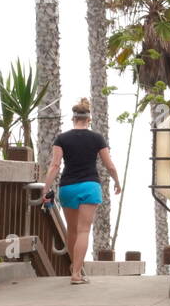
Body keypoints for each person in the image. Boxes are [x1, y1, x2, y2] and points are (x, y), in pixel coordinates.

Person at [42, 98, 120, 285]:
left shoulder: (62, 138)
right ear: (89, 119)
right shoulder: (97, 138)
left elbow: (54, 165)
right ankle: (76, 273)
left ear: (73, 119)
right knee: (84, 230)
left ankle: (74, 266)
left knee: (72, 231)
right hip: (89, 186)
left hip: (68, 187)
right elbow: (109, 165)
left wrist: (46, 188)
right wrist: (117, 181)